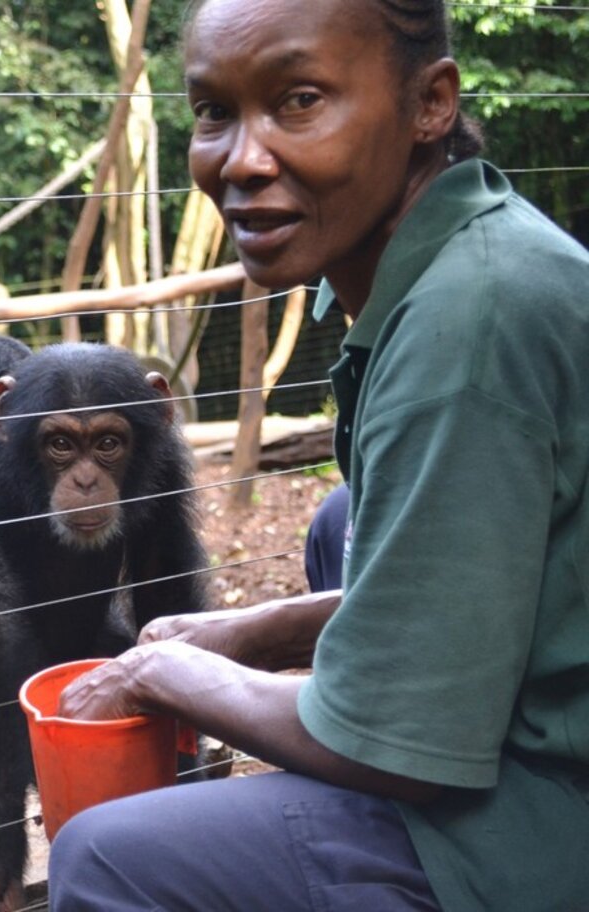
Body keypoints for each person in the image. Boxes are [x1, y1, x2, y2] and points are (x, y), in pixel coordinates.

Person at [46, 1, 589, 910]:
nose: (242, 160)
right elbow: (474, 582)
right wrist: (257, 631)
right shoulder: (467, 253)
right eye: (214, 111)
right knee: (343, 525)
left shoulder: (467, 322)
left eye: (299, 100)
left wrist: (170, 672)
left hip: (554, 812)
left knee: (110, 857)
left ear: (431, 103)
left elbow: (390, 740)